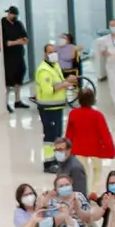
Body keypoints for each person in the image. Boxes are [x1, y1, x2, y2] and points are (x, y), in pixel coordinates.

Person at [63, 86, 115, 191]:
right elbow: (105, 134)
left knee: (83, 172)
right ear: (93, 100)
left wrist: (66, 149)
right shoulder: (97, 115)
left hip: (78, 148)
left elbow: (69, 133)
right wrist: (111, 150)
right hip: (95, 148)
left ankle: (84, 191)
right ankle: (94, 192)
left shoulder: (73, 114)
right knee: (97, 171)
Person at [35, 43, 72, 173]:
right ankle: (49, 162)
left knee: (57, 136)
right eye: (50, 52)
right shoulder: (43, 70)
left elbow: (58, 82)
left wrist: (66, 82)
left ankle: (57, 159)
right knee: (50, 137)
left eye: (55, 51)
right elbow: (48, 91)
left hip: (57, 107)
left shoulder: (55, 66)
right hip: (48, 109)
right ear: (45, 54)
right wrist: (63, 85)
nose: (53, 54)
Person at [1, 6, 30, 112]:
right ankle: (5, 102)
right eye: (12, 14)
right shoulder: (3, 24)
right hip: (8, 57)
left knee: (19, 77)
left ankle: (17, 101)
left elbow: (25, 39)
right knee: (8, 81)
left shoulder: (18, 24)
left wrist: (18, 41)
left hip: (19, 56)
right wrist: (17, 42)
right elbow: (7, 43)